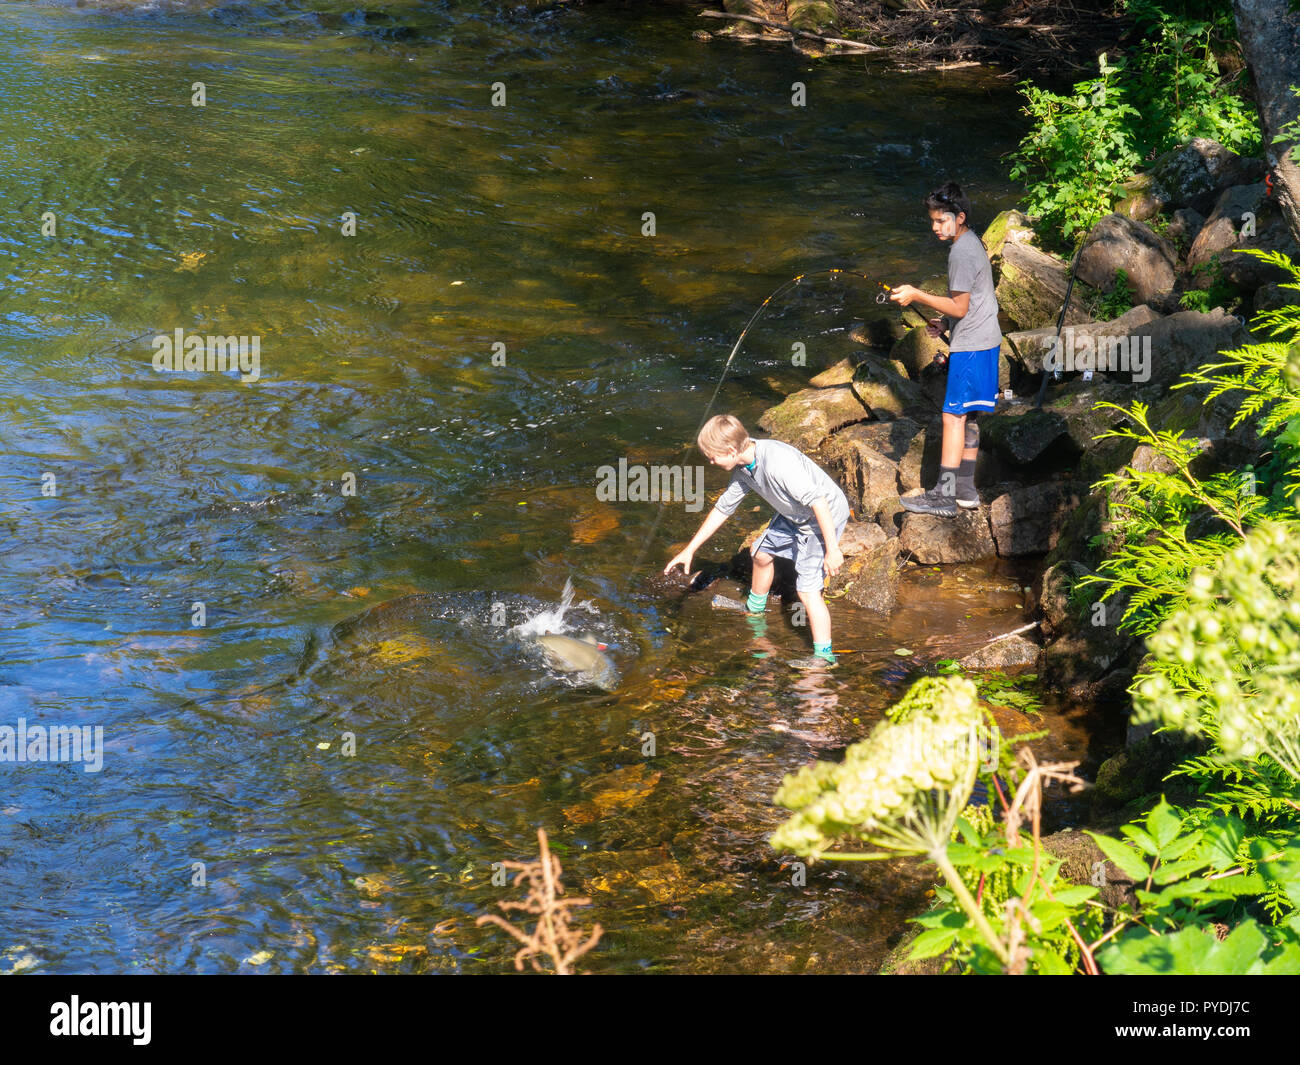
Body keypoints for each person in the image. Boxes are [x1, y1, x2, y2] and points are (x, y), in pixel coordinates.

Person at [664, 414, 848, 664]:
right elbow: (723, 509)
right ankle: (754, 608)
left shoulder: (778, 464)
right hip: (793, 513)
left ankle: (824, 657)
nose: (711, 461)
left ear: (730, 450)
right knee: (760, 554)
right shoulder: (744, 467)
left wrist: (832, 550)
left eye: (713, 456)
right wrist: (690, 549)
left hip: (822, 516)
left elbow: (819, 502)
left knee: (807, 591)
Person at [889, 182, 1002, 517]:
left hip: (972, 348)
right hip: (987, 340)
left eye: (941, 221)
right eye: (933, 221)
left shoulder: (961, 252)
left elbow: (961, 306)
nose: (935, 227)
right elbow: (975, 299)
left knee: (952, 416)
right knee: (968, 415)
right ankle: (965, 489)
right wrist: (945, 323)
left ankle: (944, 495)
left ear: (960, 217)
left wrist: (917, 295)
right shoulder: (972, 241)